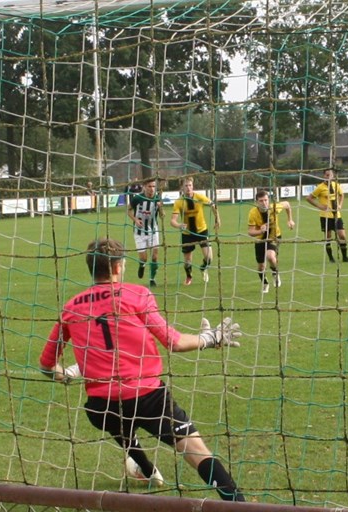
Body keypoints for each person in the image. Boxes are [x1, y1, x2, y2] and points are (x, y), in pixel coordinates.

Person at [38, 238, 246, 501]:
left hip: (101, 405)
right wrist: (210, 338)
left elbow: (46, 365)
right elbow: (175, 342)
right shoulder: (136, 294)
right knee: (196, 450)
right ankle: (237, 503)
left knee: (119, 423)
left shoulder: (71, 307)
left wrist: (65, 375)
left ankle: (146, 469)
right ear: (118, 267)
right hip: (147, 395)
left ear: (91, 269)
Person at [168, 177, 217, 286]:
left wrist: (217, 219)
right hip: (187, 234)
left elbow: (212, 204)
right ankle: (189, 276)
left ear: (193, 186)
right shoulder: (179, 202)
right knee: (187, 262)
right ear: (182, 188)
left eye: (190, 185)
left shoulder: (199, 197)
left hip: (202, 231)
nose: (188, 188)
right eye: (186, 186)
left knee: (209, 258)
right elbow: (172, 221)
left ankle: (203, 268)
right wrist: (179, 225)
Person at [246, 189, 295, 293]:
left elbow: (287, 204)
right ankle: (264, 283)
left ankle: (275, 273)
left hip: (274, 236)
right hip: (260, 239)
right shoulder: (253, 213)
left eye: (266, 200)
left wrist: (290, 219)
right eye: (261, 201)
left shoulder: (274, 207)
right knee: (261, 267)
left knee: (270, 256)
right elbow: (250, 232)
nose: (264, 203)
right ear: (256, 202)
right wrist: (260, 231)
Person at [305, 169, 348, 263]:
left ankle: (345, 257)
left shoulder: (336, 185)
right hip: (325, 216)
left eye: (330, 175)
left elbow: (341, 195)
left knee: (342, 236)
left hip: (336, 216)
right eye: (326, 175)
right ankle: (331, 258)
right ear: (324, 176)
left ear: (333, 176)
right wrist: (320, 206)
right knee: (328, 237)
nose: (328, 176)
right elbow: (308, 198)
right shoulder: (320, 187)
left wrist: (340, 205)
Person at [127, 181, 163, 286]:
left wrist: (160, 207)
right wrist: (135, 220)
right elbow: (128, 210)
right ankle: (142, 265)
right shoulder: (137, 199)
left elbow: (162, 215)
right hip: (139, 232)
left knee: (155, 257)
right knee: (144, 258)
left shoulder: (157, 198)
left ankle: (152, 279)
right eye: (149, 186)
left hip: (153, 230)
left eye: (153, 186)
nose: (151, 189)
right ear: (144, 187)